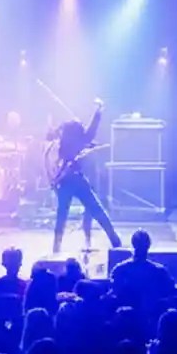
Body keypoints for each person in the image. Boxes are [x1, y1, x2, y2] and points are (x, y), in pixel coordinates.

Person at [48, 98, 122, 252]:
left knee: (62, 216)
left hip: (67, 182)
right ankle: (115, 241)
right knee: (96, 209)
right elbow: (91, 131)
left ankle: (56, 247)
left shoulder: (63, 143)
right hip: (73, 180)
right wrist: (98, 112)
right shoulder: (75, 140)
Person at [110, 230, 174, 314]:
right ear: (149, 245)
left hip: (125, 318)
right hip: (152, 316)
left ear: (133, 244)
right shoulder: (159, 271)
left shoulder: (120, 270)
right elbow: (170, 291)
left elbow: (113, 291)